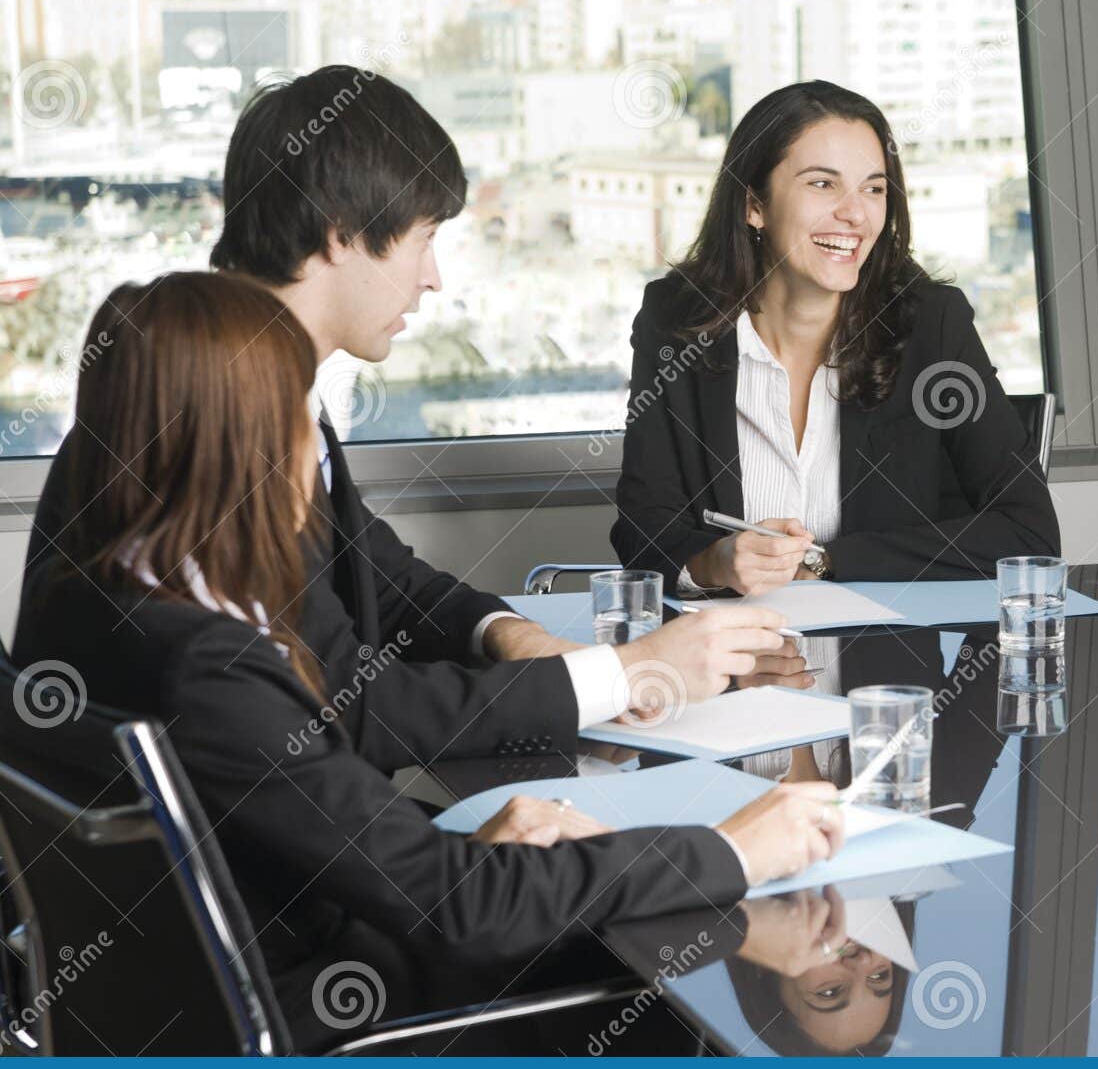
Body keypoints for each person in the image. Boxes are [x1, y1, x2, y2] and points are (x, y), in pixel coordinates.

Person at [13, 272, 848, 982]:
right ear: (251, 445)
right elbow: (460, 910)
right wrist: (732, 849)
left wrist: (459, 851)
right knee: (687, 980)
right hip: (335, 1014)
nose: (314, 441)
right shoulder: (213, 666)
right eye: (297, 413)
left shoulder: (86, 599)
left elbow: (332, 832)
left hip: (228, 971)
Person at [20, 66, 778, 767]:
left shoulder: (250, 380)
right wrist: (619, 676)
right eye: (424, 238)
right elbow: (343, 705)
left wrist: (505, 632)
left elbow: (373, 571)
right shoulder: (215, 420)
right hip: (257, 870)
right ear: (343, 231)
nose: (434, 278)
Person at [611, 80, 1059, 595]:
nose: (855, 213)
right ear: (753, 204)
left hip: (887, 662)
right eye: (822, 184)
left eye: (873, 188)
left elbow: (1029, 532)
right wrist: (715, 562)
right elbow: (642, 529)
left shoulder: (929, 325)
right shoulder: (677, 321)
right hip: (728, 659)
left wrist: (826, 562)